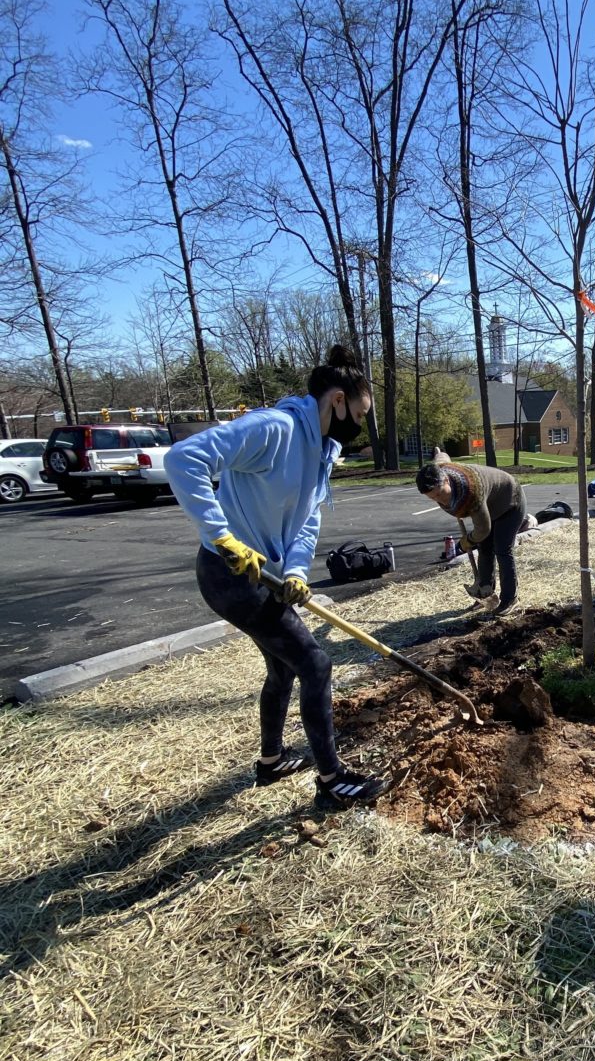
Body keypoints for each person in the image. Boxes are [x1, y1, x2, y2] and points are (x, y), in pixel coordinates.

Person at [165, 345, 388, 812]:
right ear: (338, 400)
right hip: (230, 572)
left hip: (267, 575)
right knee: (316, 664)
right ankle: (332, 780)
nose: (361, 425)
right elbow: (185, 458)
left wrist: (296, 571)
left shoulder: (323, 450)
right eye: (361, 412)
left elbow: (306, 521)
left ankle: (271, 761)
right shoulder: (276, 428)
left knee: (284, 666)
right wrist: (222, 536)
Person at [415, 448, 524, 615]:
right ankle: (485, 594)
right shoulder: (439, 469)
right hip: (490, 504)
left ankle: (510, 599)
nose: (439, 500)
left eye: (439, 493)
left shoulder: (472, 492)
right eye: (432, 498)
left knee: (502, 549)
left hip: (510, 501)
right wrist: (439, 451)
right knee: (485, 549)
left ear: (446, 480)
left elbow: (483, 528)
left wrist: (468, 541)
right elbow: (442, 457)